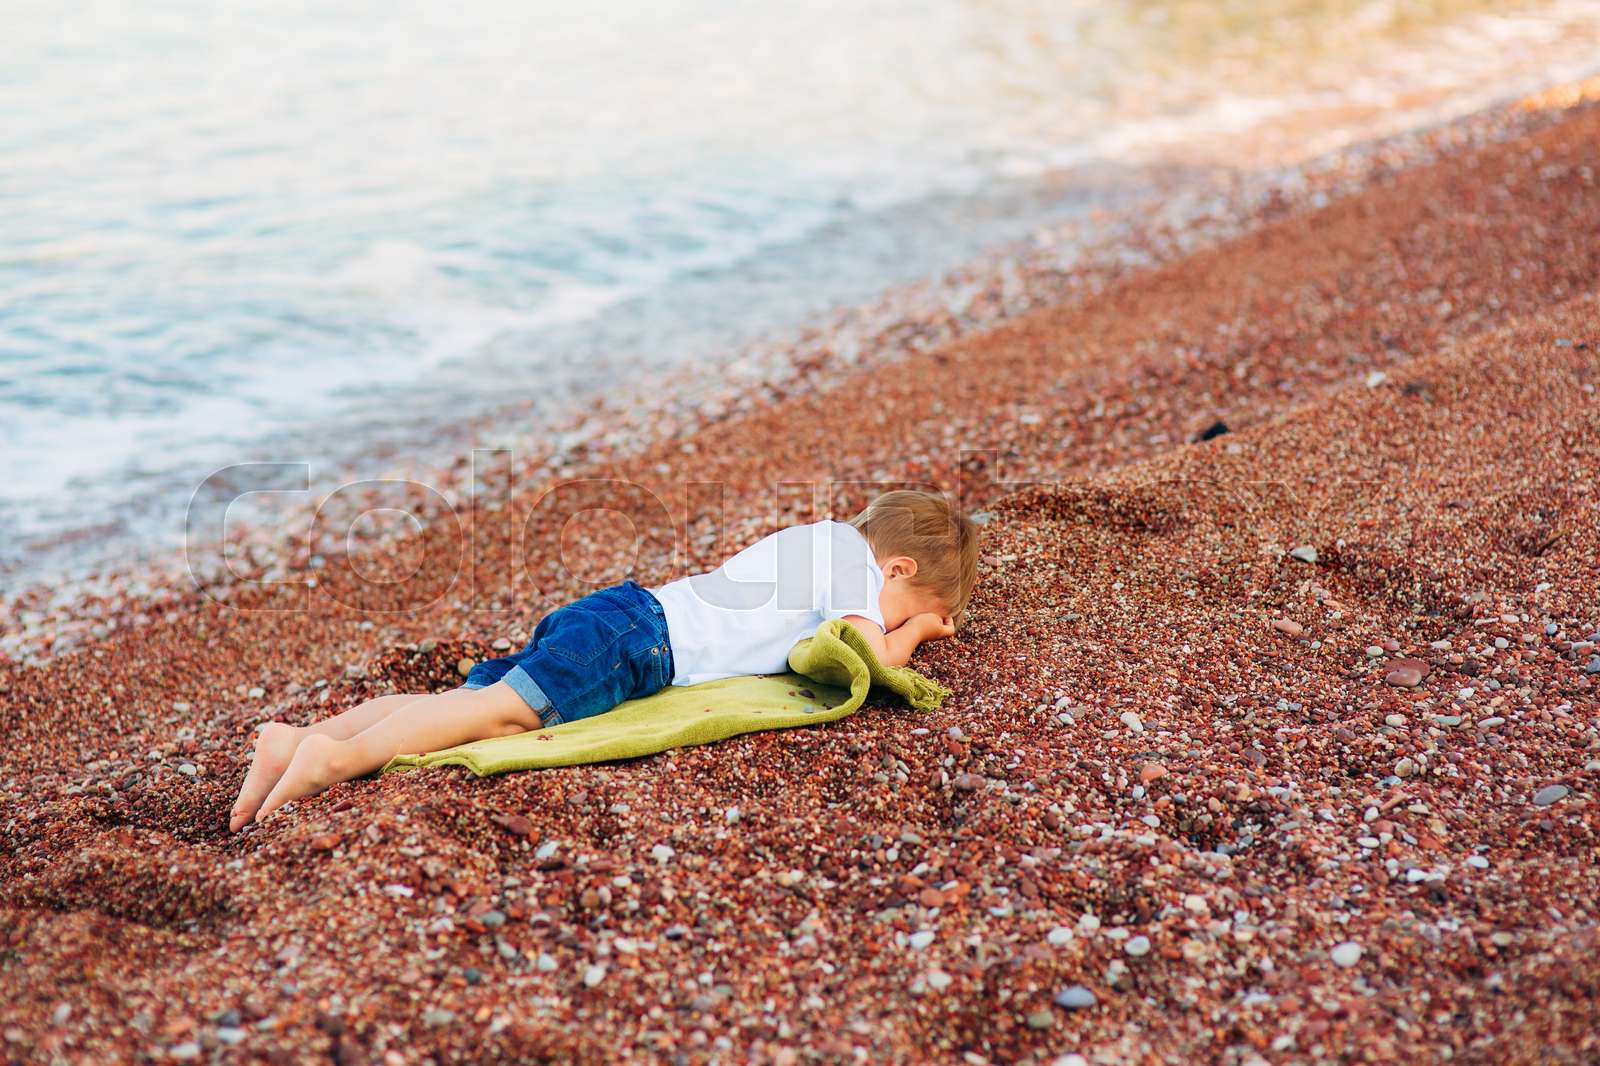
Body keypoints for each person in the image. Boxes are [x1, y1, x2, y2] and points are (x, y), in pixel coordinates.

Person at [229, 489, 978, 831]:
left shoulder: (819, 537)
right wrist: (918, 635)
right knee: (495, 711)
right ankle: (335, 759)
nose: (897, 616)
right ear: (899, 570)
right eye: (907, 603)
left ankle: (296, 739)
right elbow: (868, 652)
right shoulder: (857, 569)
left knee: (479, 695)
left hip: (618, 613)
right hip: (638, 644)